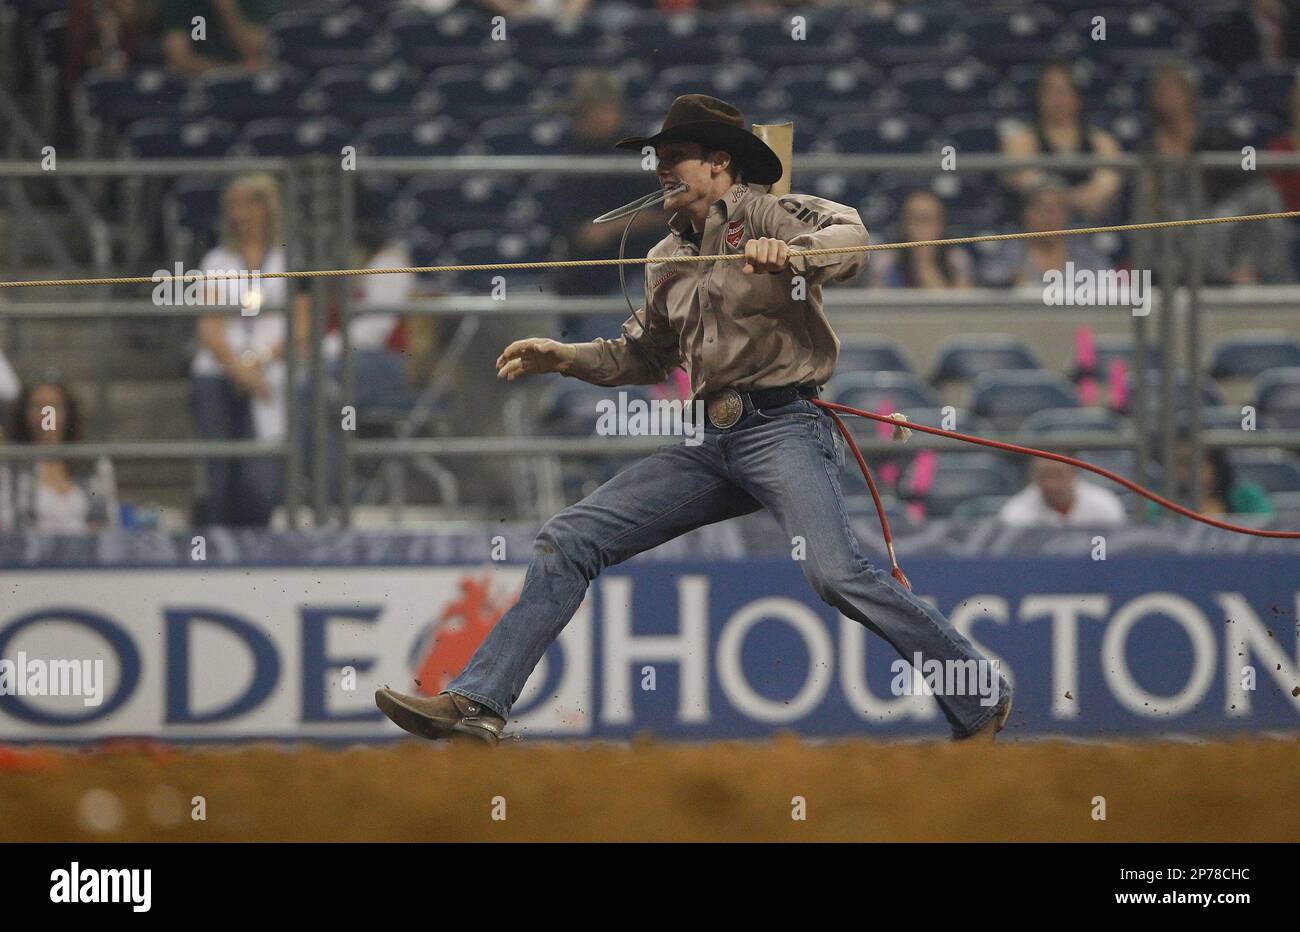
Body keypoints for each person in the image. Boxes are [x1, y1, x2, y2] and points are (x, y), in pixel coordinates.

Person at [376, 94, 1013, 744]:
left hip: (786, 423)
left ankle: (975, 689)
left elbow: (852, 238)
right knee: (568, 539)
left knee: (835, 573)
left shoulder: (773, 212)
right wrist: (567, 357)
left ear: (719, 164)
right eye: (658, 159)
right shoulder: (664, 260)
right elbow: (643, 356)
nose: (660, 169)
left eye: (674, 157)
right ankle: (480, 701)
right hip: (713, 439)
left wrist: (796, 256)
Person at [190, 173, 308, 527]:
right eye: (234, 206)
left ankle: (253, 562)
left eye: (249, 204)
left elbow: (301, 325)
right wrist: (239, 369)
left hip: (270, 376)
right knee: (219, 477)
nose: (240, 214)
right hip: (218, 374)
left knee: (261, 483)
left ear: (267, 208)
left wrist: (258, 363)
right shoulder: (216, 261)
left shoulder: (289, 260)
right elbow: (209, 325)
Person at [1143, 63, 1294, 285]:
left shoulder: (1215, 138)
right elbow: (1149, 198)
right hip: (1180, 215)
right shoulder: (1149, 146)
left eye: (1175, 89)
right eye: (1163, 91)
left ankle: (1273, 279)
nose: (1169, 96)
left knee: (1265, 196)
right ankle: (1221, 278)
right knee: (1182, 217)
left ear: (1189, 94)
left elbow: (1246, 179)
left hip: (1220, 213)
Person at [1001, 61, 1125, 221]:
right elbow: (1025, 179)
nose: (1057, 98)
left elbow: (1108, 182)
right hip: (1038, 227)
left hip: (1088, 225)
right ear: (1038, 96)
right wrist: (1062, 198)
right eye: (1050, 90)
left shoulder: (1102, 140)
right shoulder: (1020, 139)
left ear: (1078, 96)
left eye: (1064, 90)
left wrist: (1066, 199)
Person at [0, 378, 119, 532]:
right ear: (25, 413)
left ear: (68, 413)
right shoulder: (10, 470)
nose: (46, 415)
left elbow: (109, 523)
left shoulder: (95, 465)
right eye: (38, 406)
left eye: (54, 406)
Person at [980, 178, 1110, 286]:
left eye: (1057, 208)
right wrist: (1009, 285)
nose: (1048, 216)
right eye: (1041, 207)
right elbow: (989, 281)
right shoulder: (1008, 251)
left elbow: (1109, 285)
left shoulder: (1084, 253)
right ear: (1025, 213)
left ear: (1068, 215)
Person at [869, 190, 974, 288]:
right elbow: (876, 303)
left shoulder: (956, 259)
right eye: (916, 219)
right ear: (903, 225)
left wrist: (925, 263)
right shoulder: (886, 262)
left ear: (942, 225)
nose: (921, 227)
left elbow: (959, 304)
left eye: (928, 219)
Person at [998, 457, 1126, 528]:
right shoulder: (1015, 513)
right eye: (1044, 476)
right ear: (1034, 479)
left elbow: (1115, 551)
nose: (1052, 484)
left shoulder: (1104, 504)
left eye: (1058, 474)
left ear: (1073, 474)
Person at [161, 0, 270, 76]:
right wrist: (234, 71)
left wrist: (226, 6)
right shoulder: (181, 3)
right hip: (201, 83)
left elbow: (256, 51)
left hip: (249, 83)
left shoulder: (254, 3)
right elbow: (180, 59)